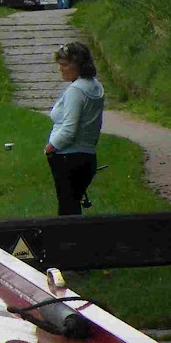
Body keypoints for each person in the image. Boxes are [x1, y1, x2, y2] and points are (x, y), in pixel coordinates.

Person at [45, 41, 105, 216]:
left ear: (77, 65)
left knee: (67, 208)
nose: (60, 69)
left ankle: (68, 242)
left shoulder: (76, 91)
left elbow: (69, 129)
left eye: (64, 65)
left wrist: (50, 147)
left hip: (68, 157)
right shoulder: (95, 86)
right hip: (87, 155)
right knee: (73, 204)